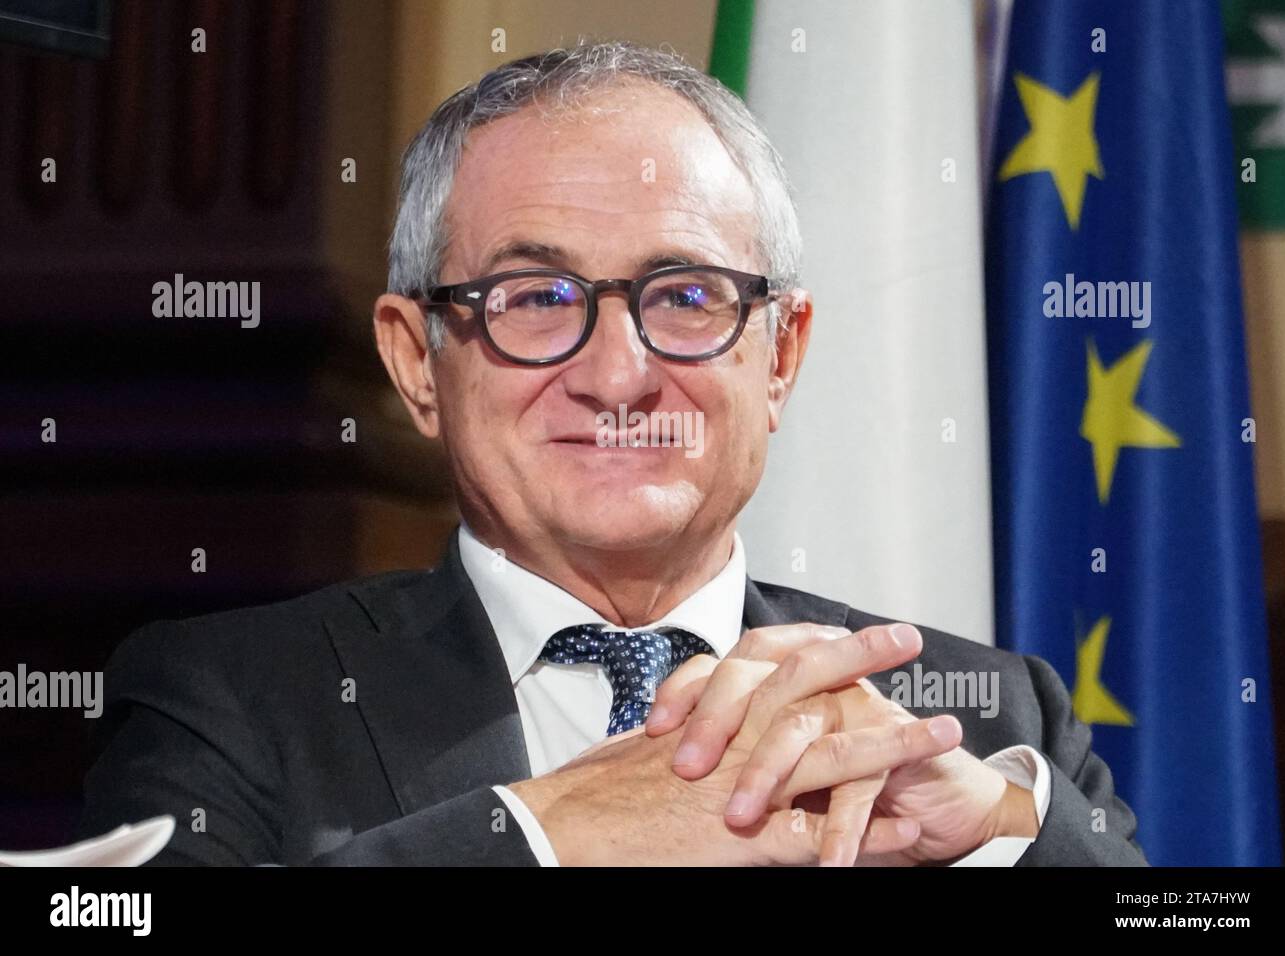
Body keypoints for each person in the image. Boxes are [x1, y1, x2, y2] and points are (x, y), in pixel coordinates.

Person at [76, 41, 1146, 867]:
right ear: (415, 362)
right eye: (536, 298)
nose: (619, 372)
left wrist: (1003, 822)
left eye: (684, 296)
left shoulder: (986, 711)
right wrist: (546, 832)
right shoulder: (230, 699)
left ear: (780, 356)